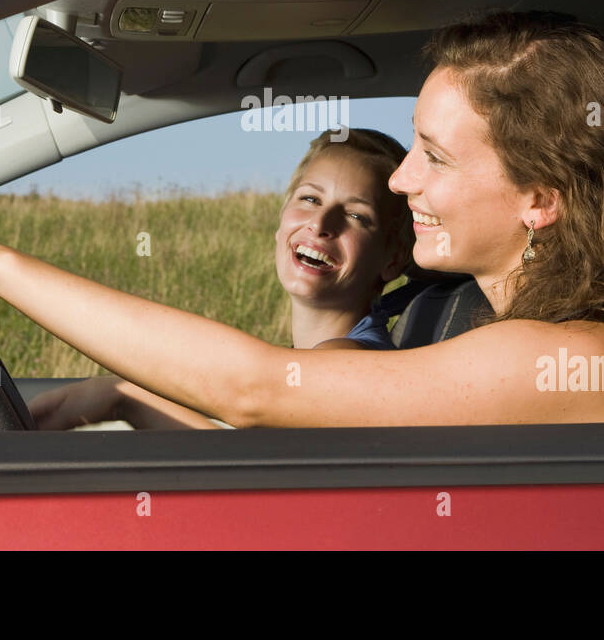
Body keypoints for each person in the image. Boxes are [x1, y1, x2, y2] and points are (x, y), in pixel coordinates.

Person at [0, 10, 604, 427]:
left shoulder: (581, 358)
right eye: (414, 147)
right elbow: (274, 440)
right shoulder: (522, 333)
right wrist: (116, 394)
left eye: (437, 159)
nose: (404, 179)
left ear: (542, 199)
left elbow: (256, 389)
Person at [28, 127, 416, 429]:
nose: (320, 224)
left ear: (392, 259)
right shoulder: (315, 360)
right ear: (281, 224)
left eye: (356, 216)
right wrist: (121, 396)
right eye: (310, 199)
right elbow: (251, 461)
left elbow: (249, 395)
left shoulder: (355, 363)